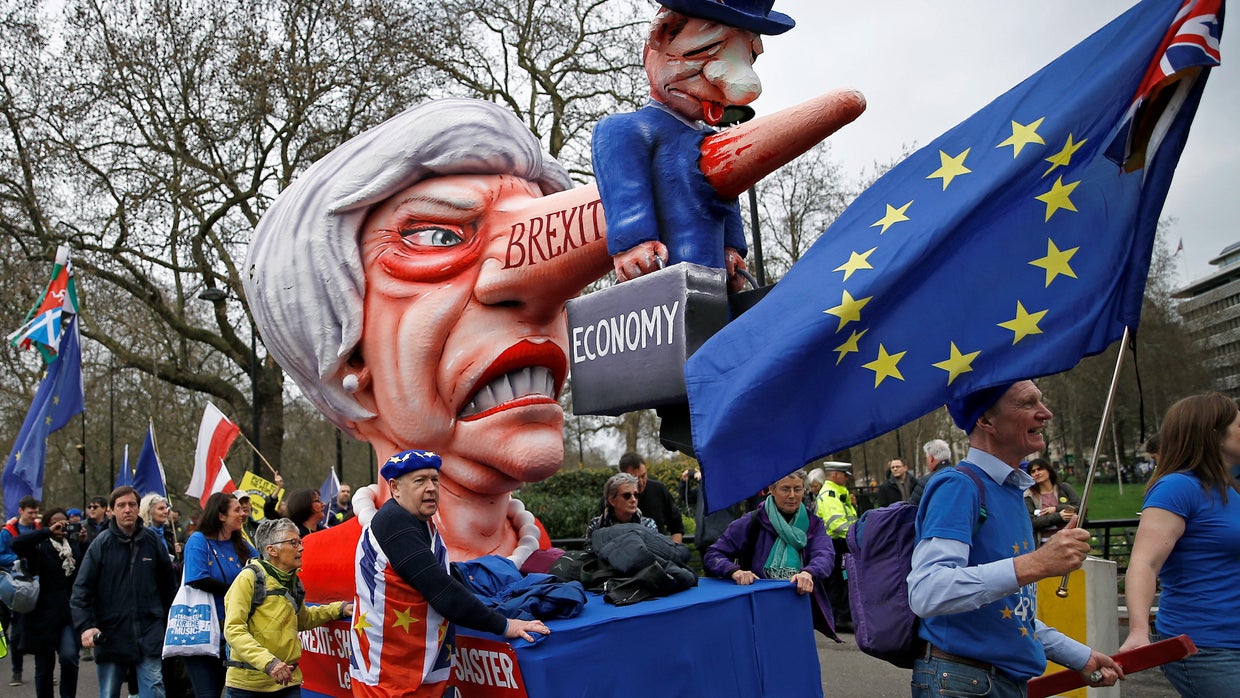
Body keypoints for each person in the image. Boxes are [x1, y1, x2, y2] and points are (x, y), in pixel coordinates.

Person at [244, 98, 611, 562]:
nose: (544, 292)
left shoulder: (541, 550)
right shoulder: (312, 581)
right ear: (349, 357)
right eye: (439, 236)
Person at [909, 381, 1122, 696]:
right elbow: (927, 591)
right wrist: (1037, 562)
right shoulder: (959, 486)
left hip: (992, 682)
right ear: (986, 421)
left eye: (1042, 402)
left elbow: (1011, 614)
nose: (1045, 414)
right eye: (1028, 403)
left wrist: (1082, 656)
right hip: (962, 683)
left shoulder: (1012, 492)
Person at [592, 1, 795, 290]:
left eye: (749, 57)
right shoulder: (624, 130)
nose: (738, 91)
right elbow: (626, 191)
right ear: (663, 32)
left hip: (712, 277)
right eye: (706, 52)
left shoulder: (713, 141)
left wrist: (733, 247)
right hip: (663, 281)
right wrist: (633, 243)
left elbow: (726, 197)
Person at [350, 449, 550, 697]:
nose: (432, 487)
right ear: (395, 488)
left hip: (412, 666)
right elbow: (441, 589)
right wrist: (505, 625)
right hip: (392, 675)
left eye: (435, 479)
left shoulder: (417, 520)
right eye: (420, 481)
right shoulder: (394, 522)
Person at [1119, 392, 1240, 696]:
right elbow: (1145, 563)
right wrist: (1138, 630)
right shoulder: (1177, 487)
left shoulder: (1229, 490)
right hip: (1206, 647)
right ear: (1214, 436)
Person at [223, 519, 352, 698]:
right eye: (293, 543)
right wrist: (269, 663)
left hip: (287, 682)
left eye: (300, 542)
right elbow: (233, 630)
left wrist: (340, 609)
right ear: (272, 550)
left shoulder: (294, 581)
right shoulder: (248, 578)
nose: (301, 548)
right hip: (248, 686)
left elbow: (304, 620)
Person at [71, 486, 177, 698]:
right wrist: (86, 626)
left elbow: (169, 587)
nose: (127, 509)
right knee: (109, 693)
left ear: (139, 509)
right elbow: (81, 589)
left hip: (149, 632)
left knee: (154, 689)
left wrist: (169, 623)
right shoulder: (101, 544)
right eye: (121, 505)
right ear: (111, 510)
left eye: (131, 505)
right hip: (111, 634)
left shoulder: (152, 541)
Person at [703, 470, 836, 637]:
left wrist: (809, 572)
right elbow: (713, 554)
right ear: (771, 490)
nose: (792, 495)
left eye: (798, 489)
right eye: (785, 489)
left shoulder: (813, 524)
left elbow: (825, 554)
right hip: (757, 611)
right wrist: (734, 571)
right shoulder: (751, 522)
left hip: (798, 609)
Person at [181, 492, 257, 698]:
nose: (243, 514)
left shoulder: (240, 543)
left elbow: (261, 569)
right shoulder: (198, 540)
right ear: (221, 516)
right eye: (237, 510)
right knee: (208, 694)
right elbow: (197, 578)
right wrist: (238, 592)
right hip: (205, 631)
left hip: (235, 632)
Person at [11, 508, 84, 698]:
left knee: (69, 658)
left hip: (68, 615)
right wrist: (46, 532)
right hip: (42, 616)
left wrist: (84, 543)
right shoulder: (39, 547)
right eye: (56, 524)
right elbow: (16, 544)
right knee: (44, 668)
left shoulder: (74, 546)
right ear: (48, 525)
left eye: (65, 524)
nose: (61, 528)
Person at [2, 494, 40, 687]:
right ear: (21, 511)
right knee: (17, 630)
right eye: (30, 512)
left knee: (42, 629)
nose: (33, 515)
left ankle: (43, 671)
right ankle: (17, 671)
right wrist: (19, 559)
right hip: (16, 585)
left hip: (37, 583)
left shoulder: (39, 529)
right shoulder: (7, 532)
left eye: (35, 512)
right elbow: (1, 556)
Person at [815, 462, 856, 633]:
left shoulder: (839, 493)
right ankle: (840, 618)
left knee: (842, 579)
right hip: (837, 543)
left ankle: (840, 616)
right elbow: (837, 523)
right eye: (844, 474)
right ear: (835, 475)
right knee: (840, 581)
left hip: (840, 543)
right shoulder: (831, 495)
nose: (846, 478)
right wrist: (855, 535)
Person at [618, 453, 684, 542]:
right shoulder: (613, 497)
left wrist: (673, 552)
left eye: (643, 476)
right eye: (634, 478)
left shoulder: (659, 490)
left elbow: (676, 527)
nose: (640, 483)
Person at [1023, 458, 1080, 547]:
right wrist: (1058, 516)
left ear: (1048, 470)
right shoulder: (1028, 496)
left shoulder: (1064, 488)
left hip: (1070, 541)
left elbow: (1080, 508)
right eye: (1033, 471)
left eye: (1040, 469)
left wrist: (1056, 509)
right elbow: (1032, 522)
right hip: (1043, 545)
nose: (1037, 473)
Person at [584, 473, 660, 540]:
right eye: (627, 495)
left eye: (636, 495)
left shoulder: (648, 525)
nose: (633, 500)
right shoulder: (596, 526)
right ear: (612, 501)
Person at [908, 439, 953, 506]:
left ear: (931, 458)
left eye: (926, 458)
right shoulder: (963, 475)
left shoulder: (927, 481)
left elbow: (912, 508)